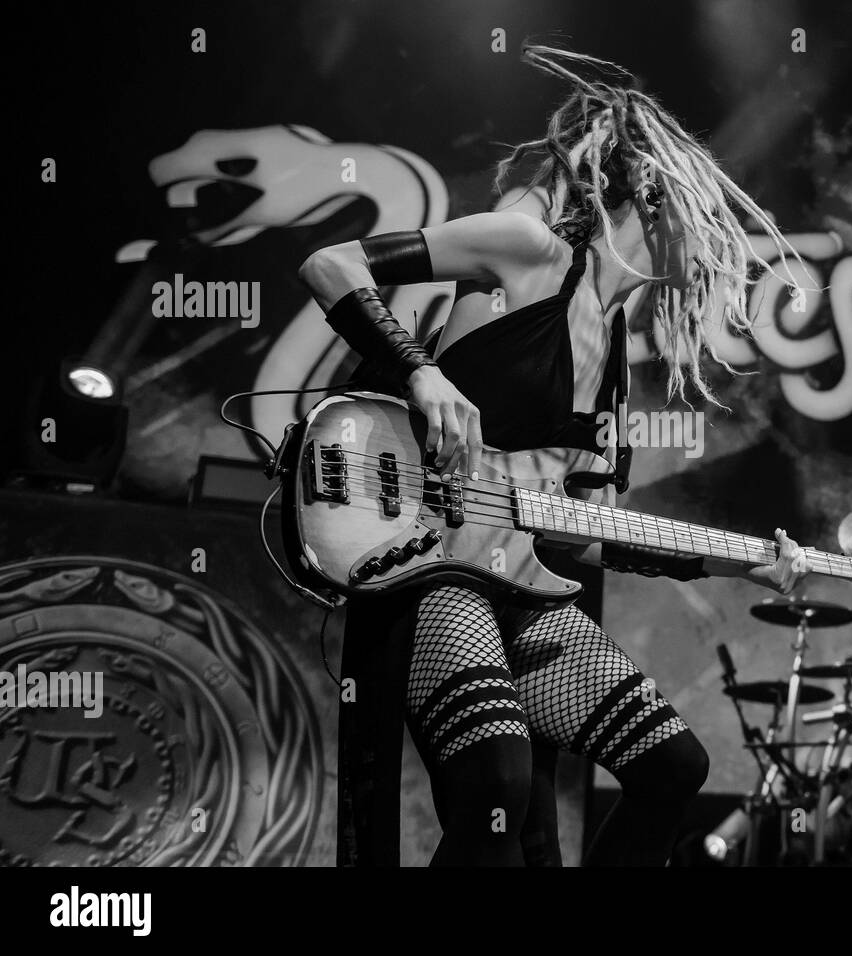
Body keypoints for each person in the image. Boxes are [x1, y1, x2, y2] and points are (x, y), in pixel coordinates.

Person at [298, 44, 811, 866]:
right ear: (653, 193)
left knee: (672, 766)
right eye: (707, 217)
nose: (717, 248)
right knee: (497, 787)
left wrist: (738, 564)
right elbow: (331, 265)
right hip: (436, 571)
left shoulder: (612, 355)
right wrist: (421, 373)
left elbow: (577, 536)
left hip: (522, 589)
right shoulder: (528, 248)